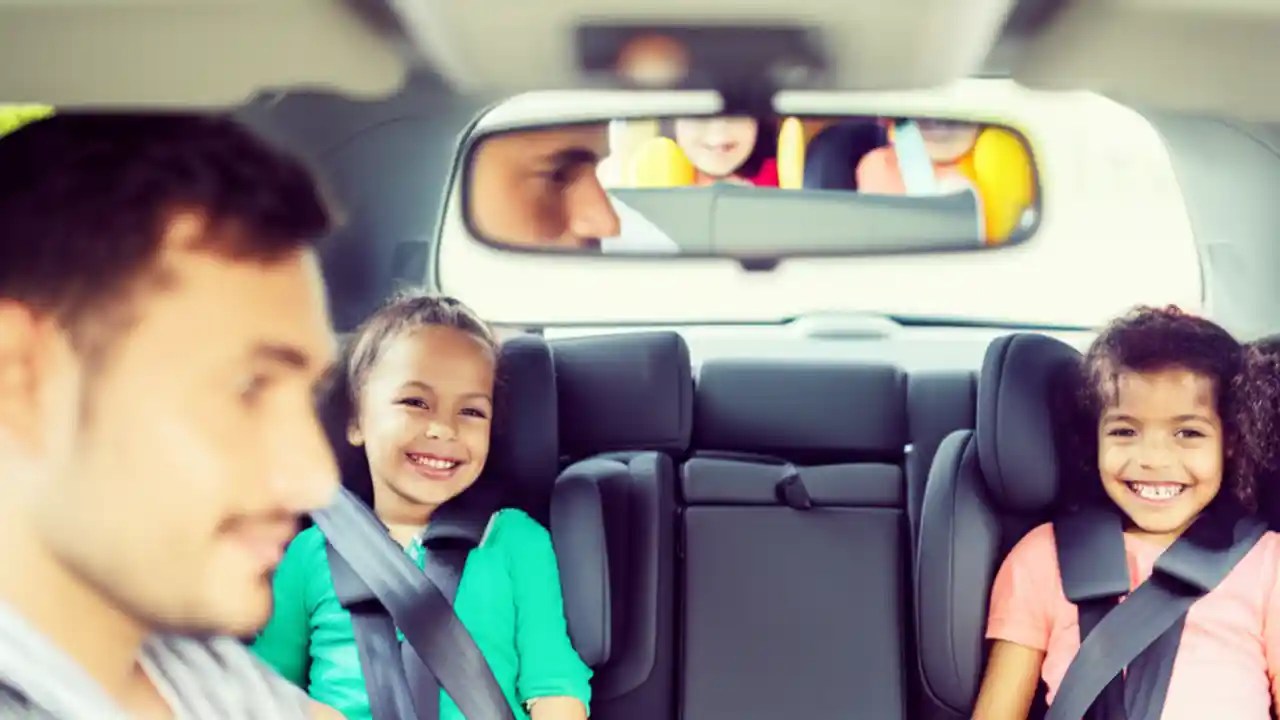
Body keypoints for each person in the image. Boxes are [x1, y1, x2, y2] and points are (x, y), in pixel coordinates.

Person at [0, 113, 347, 717]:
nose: (317, 479)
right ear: (18, 374)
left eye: (311, 396)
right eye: (248, 387)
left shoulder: (184, 662)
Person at [252, 293, 592, 720]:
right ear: (357, 421)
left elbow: (554, 681)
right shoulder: (308, 553)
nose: (443, 428)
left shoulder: (516, 540)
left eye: (471, 411)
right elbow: (266, 685)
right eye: (415, 402)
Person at [972, 305, 1280, 719]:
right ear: (1094, 435)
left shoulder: (1267, 564)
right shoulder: (1042, 559)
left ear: (1229, 442)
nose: (1152, 459)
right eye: (1124, 431)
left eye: (1188, 433)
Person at [671, 115, 779, 187]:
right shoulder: (656, 185)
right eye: (701, 115)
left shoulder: (785, 180)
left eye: (735, 114)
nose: (718, 135)